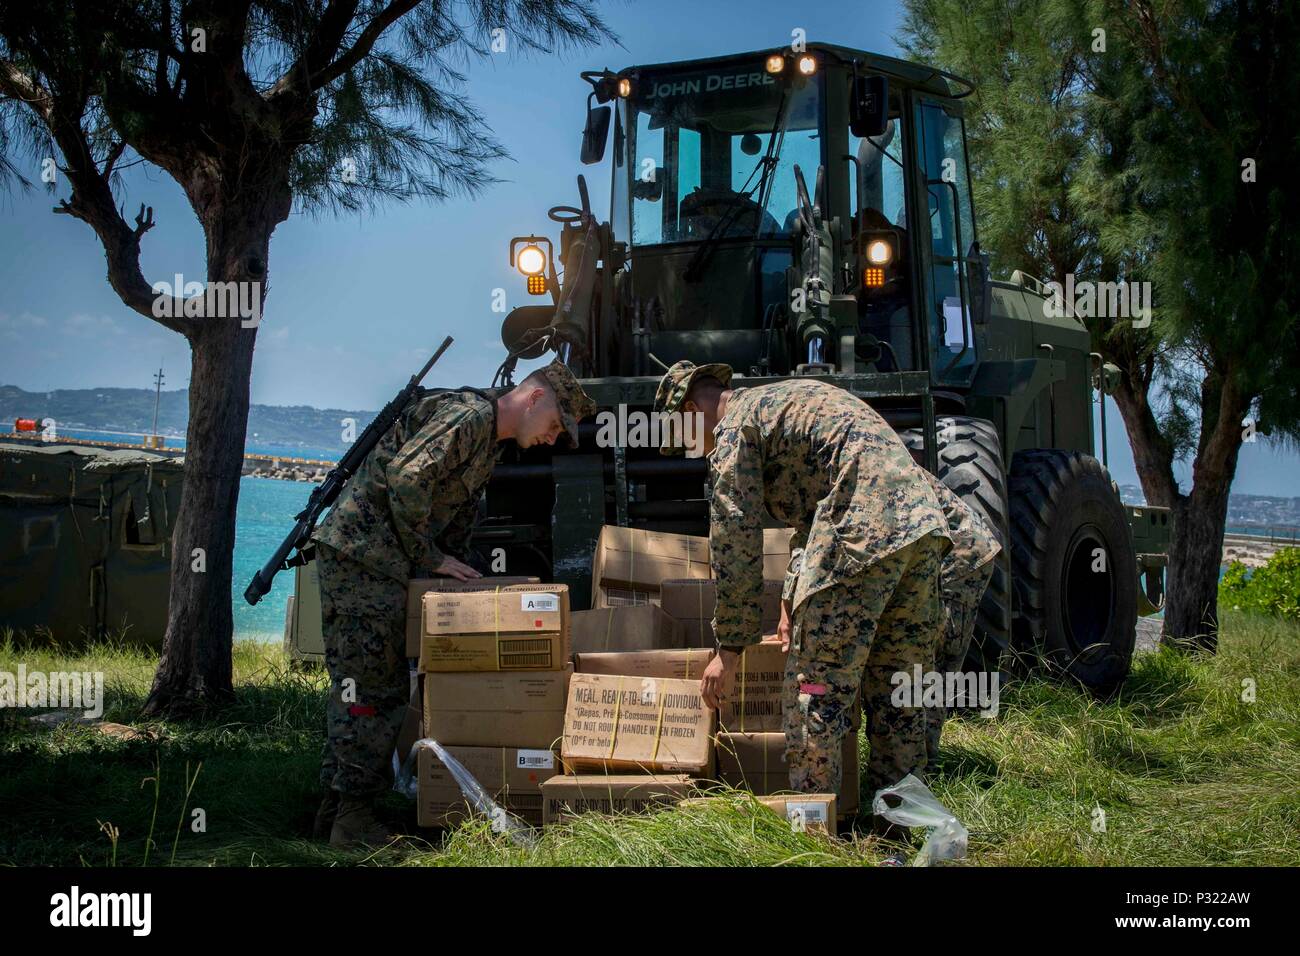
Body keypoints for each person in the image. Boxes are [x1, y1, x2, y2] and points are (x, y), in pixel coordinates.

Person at [310, 360, 595, 846]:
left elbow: (455, 514)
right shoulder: (469, 418)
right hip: (365, 559)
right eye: (554, 425)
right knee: (370, 691)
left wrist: (455, 575)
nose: (553, 438)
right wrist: (430, 557)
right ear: (534, 397)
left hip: (379, 563)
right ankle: (352, 821)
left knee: (366, 687)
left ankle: (334, 813)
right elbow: (405, 476)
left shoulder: (488, 442)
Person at [654, 360, 952, 809]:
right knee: (898, 685)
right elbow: (810, 521)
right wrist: (791, 599)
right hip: (922, 528)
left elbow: (736, 543)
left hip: (862, 533)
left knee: (813, 688)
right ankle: (901, 820)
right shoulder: (783, 402)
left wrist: (729, 651)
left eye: (683, 436)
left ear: (693, 409)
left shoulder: (736, 430)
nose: (692, 449)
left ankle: (814, 831)